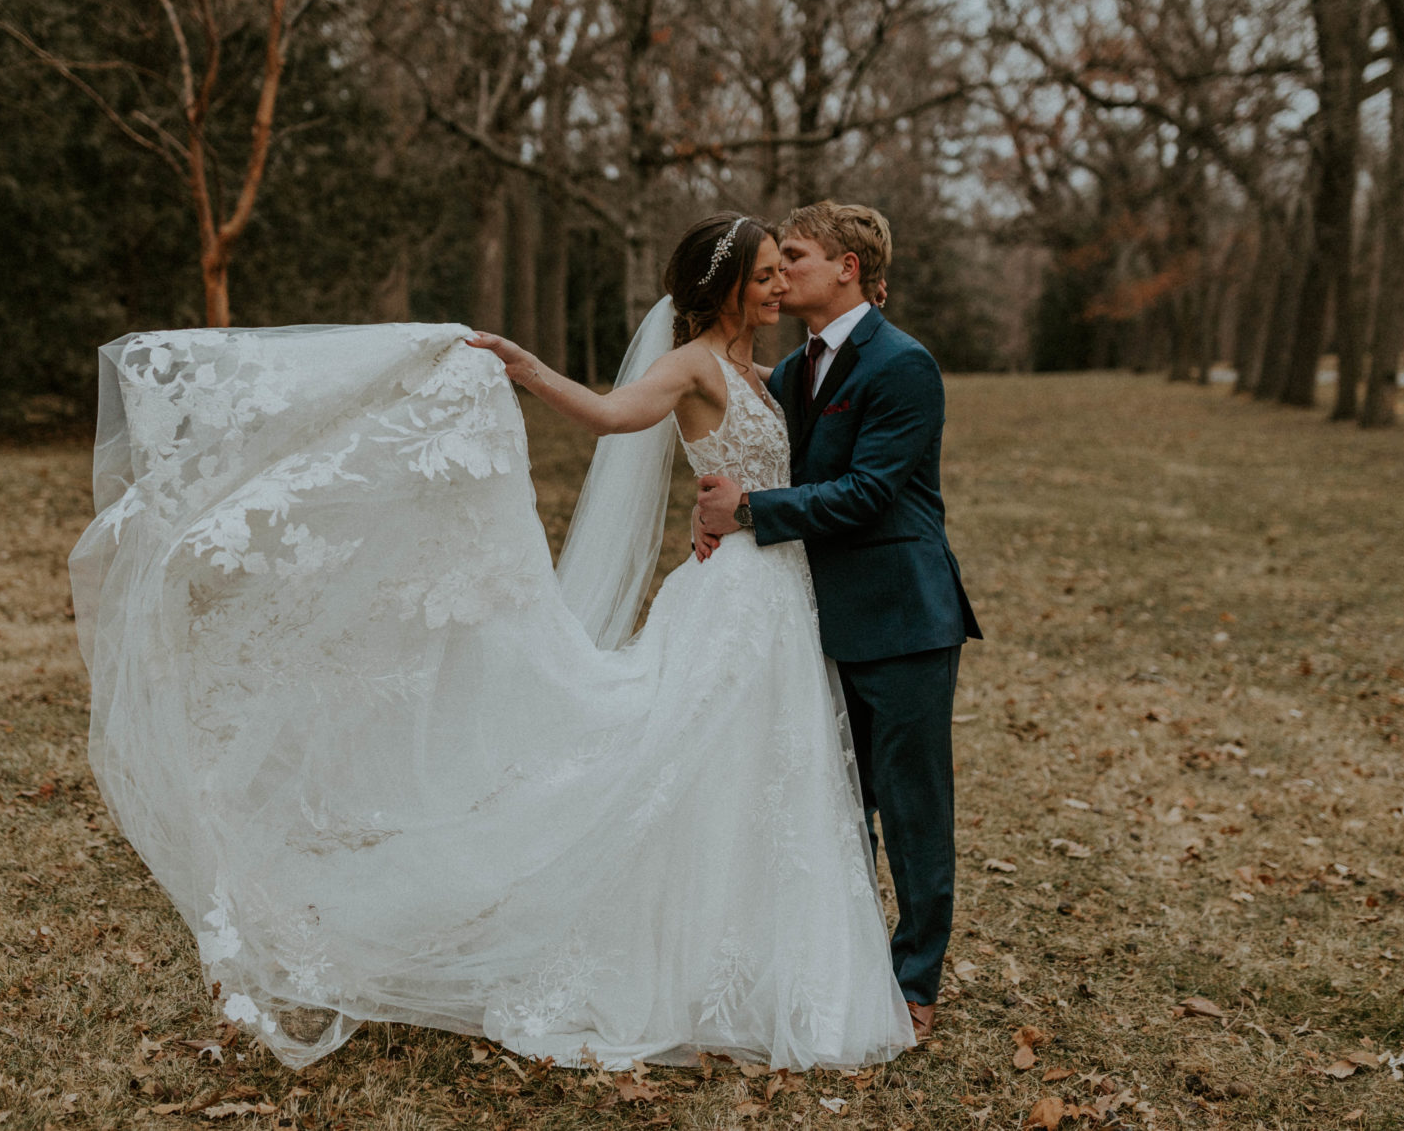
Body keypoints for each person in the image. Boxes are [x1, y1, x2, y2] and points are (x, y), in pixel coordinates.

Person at [70, 212, 914, 1072]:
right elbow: (614, 414)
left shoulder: (768, 372)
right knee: (696, 765)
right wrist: (531, 370)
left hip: (778, 592)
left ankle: (760, 959)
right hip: (733, 599)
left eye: (784, 270)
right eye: (767, 273)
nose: (779, 286)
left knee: (763, 775)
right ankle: (679, 965)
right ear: (727, 284)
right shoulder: (693, 364)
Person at [694, 201, 981, 1043]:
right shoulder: (792, 371)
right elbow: (760, 454)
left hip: (903, 619)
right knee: (836, 804)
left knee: (913, 806)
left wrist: (748, 508)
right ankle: (848, 969)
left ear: (848, 267)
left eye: (797, 256)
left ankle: (916, 980)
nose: (782, 272)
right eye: (775, 260)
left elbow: (867, 493)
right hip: (817, 622)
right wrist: (715, 504)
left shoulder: (904, 366)